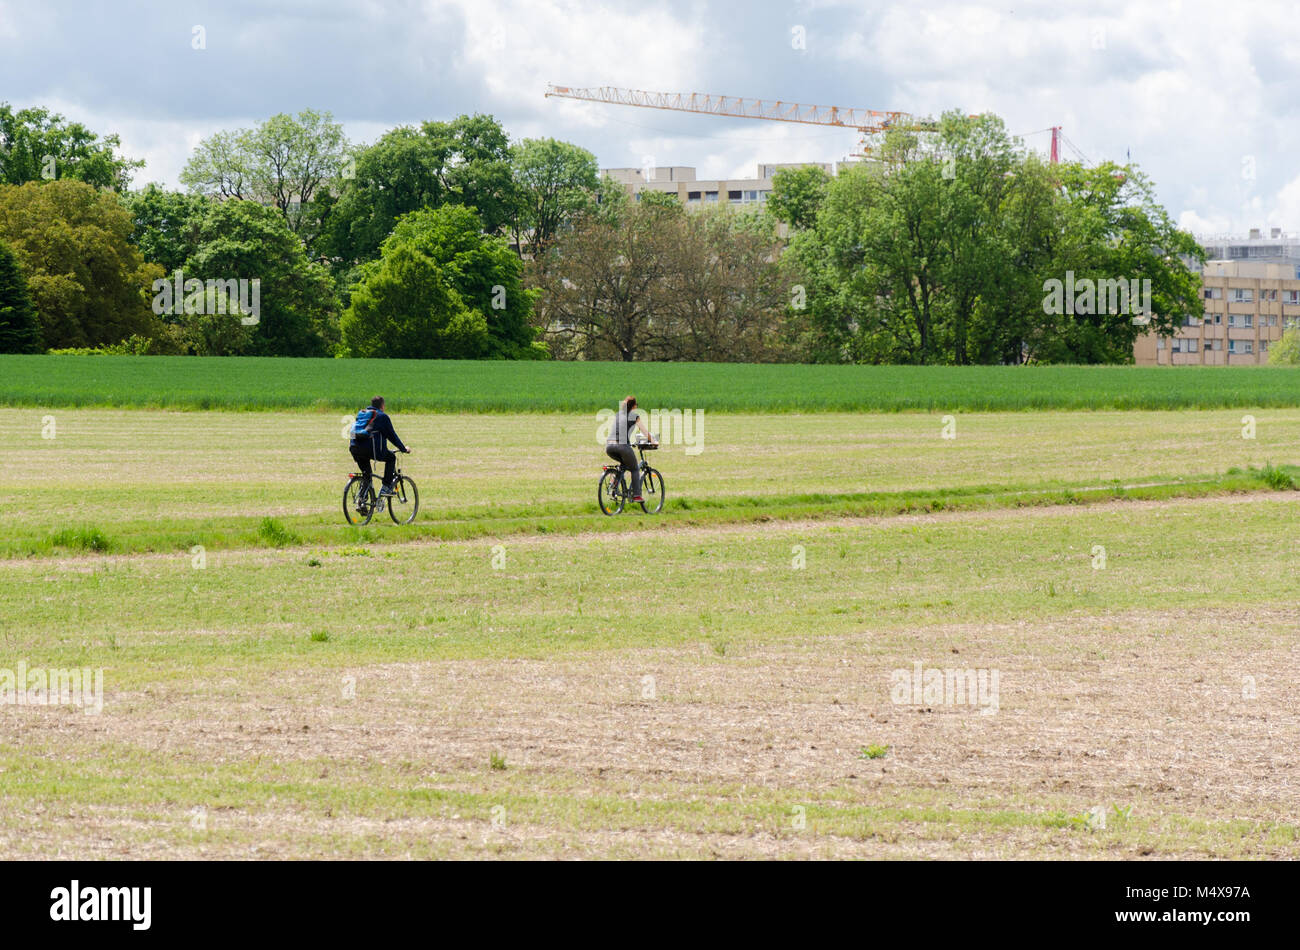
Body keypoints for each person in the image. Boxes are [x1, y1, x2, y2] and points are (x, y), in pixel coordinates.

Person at [349, 396, 410, 497]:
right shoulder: (382, 416)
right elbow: (392, 436)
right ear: (382, 405)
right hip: (371, 450)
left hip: (355, 448)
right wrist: (403, 449)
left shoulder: (362, 414)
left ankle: (362, 501)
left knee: (367, 475)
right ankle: (386, 487)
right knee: (391, 458)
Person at [605, 395, 655, 503]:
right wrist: (653, 441)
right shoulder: (634, 416)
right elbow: (645, 432)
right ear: (634, 406)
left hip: (609, 446)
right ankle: (636, 495)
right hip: (621, 446)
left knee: (623, 465)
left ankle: (614, 485)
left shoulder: (618, 414)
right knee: (635, 469)